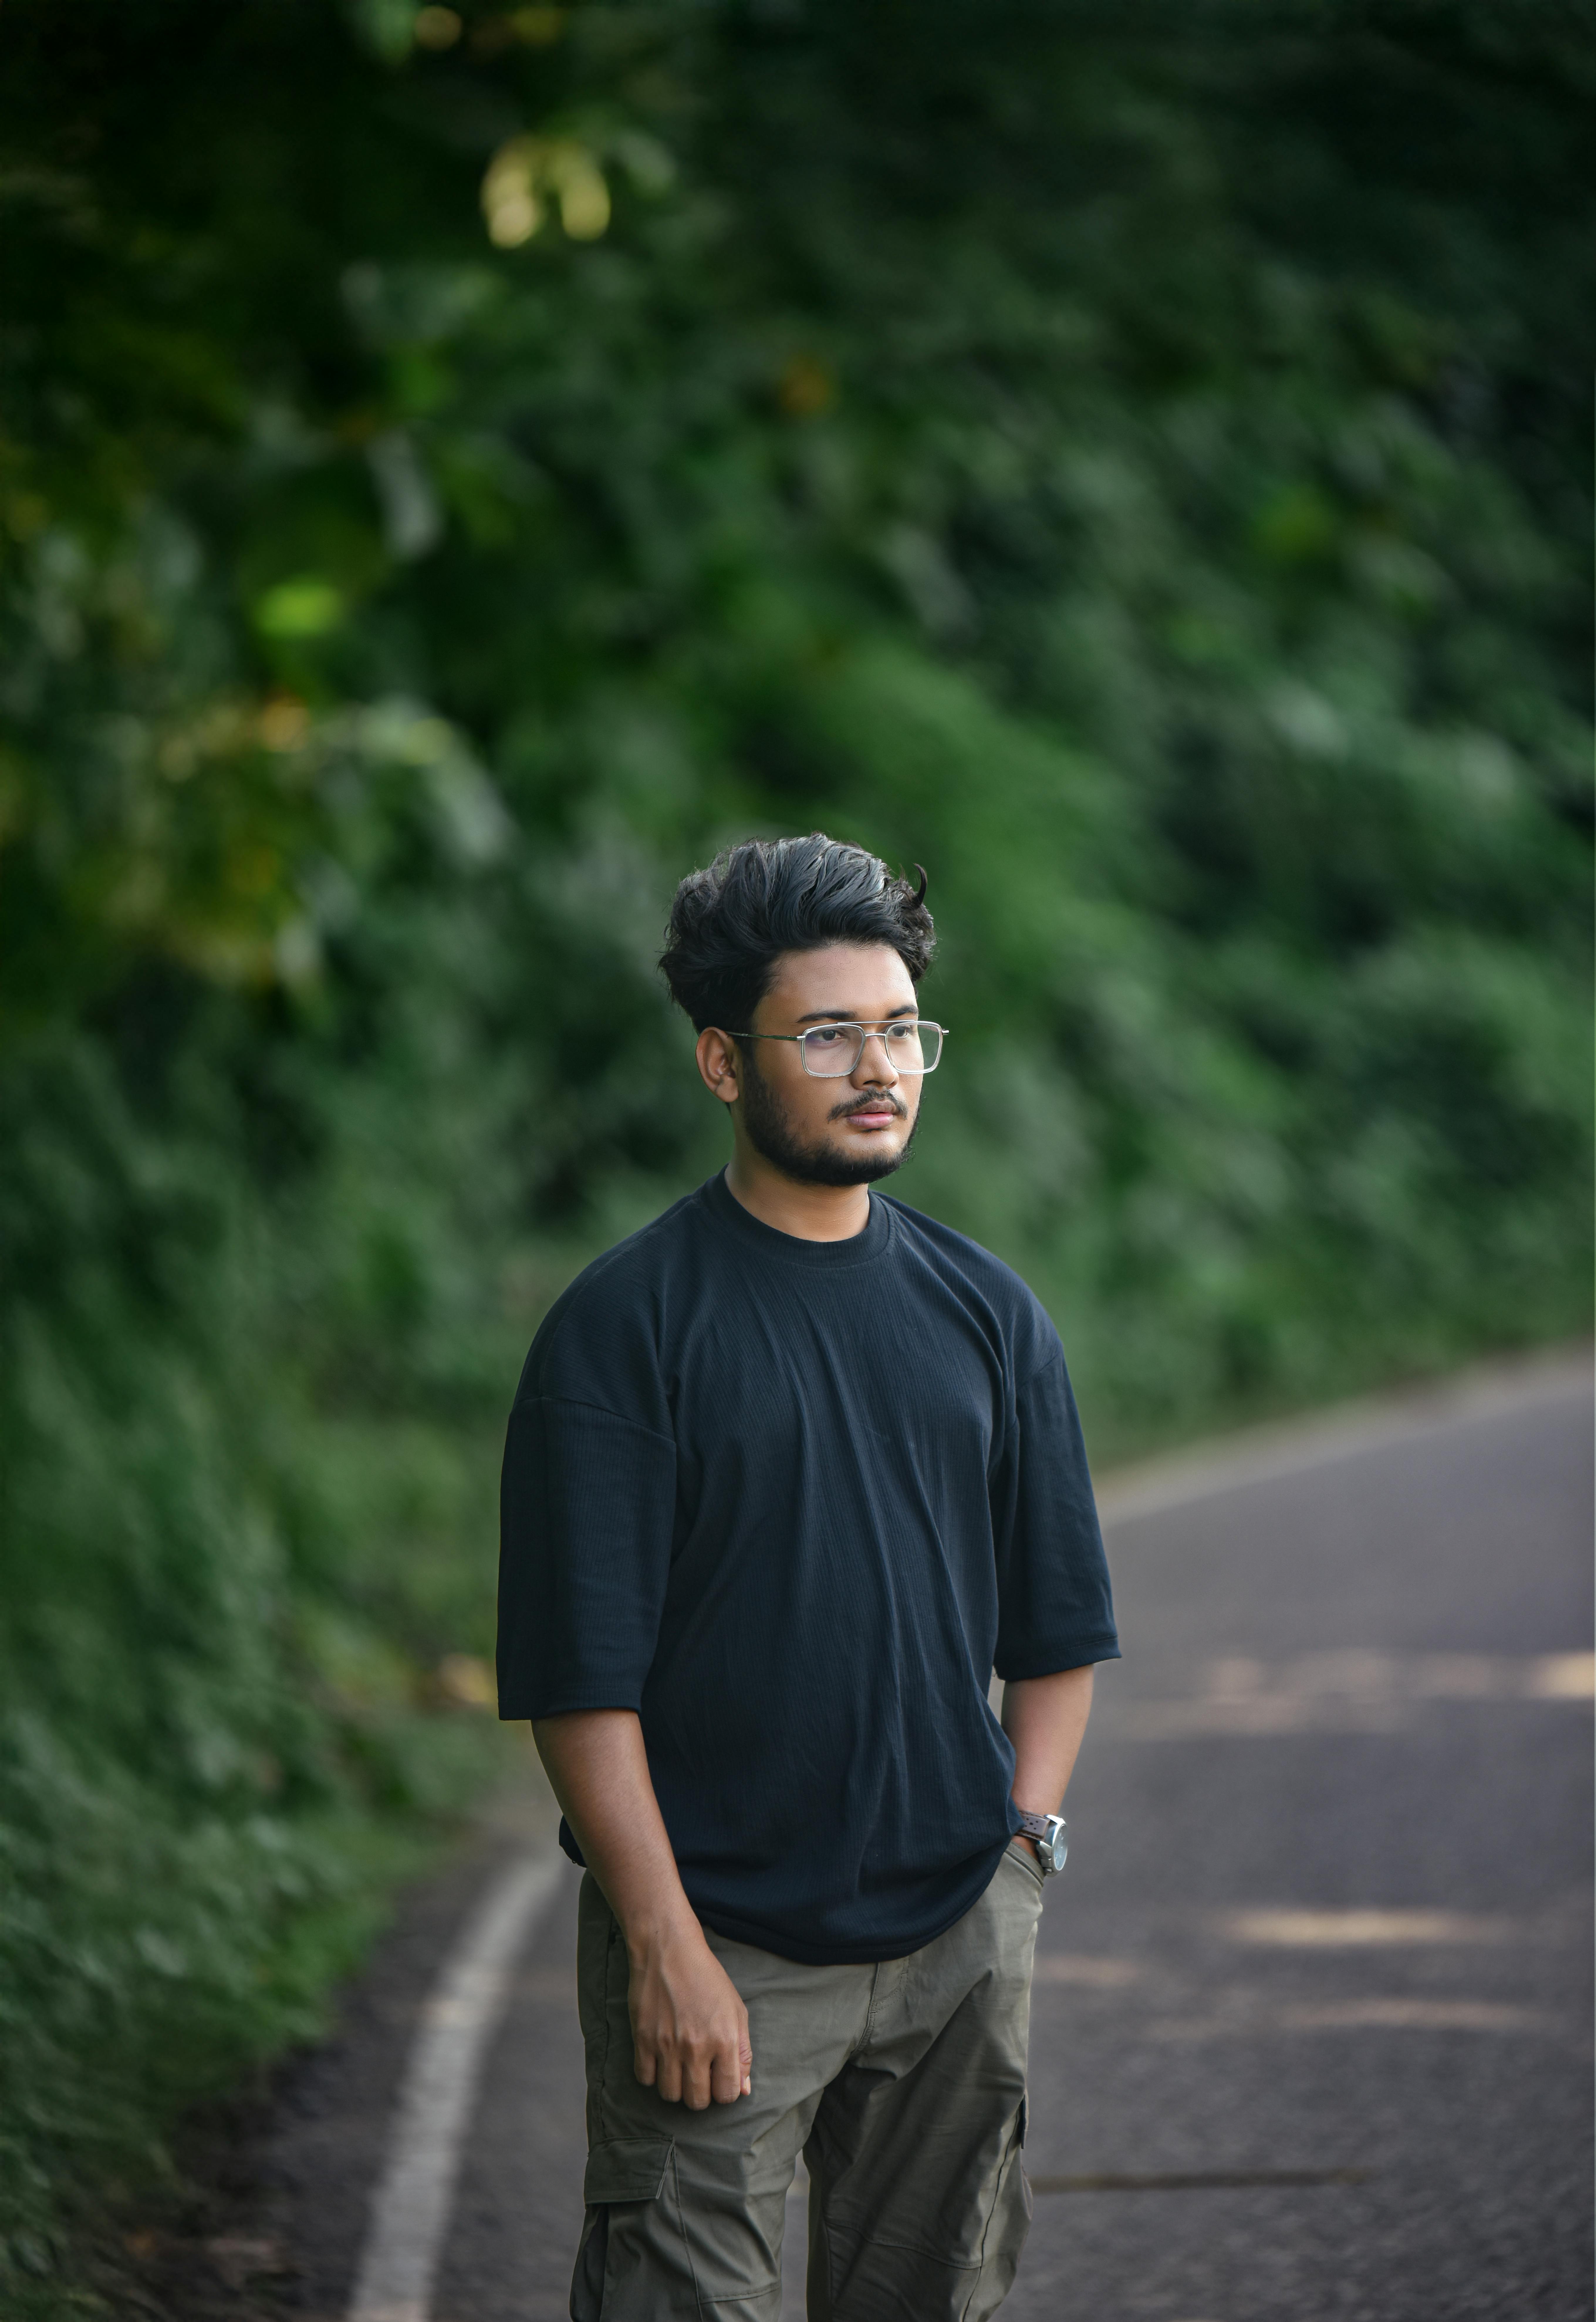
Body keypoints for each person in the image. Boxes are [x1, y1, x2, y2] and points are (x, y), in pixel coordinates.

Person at [497, 833, 1119, 2321]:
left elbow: (1058, 1625)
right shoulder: (624, 1328)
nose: (878, 1065)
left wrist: (1018, 1862)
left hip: (956, 1936)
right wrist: (663, 1945)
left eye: (901, 1027)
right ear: (724, 1062)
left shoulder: (987, 1311)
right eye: (828, 1031)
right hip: (723, 1948)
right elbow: (579, 1679)